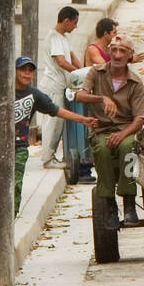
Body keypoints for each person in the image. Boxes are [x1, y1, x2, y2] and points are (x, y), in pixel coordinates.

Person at [74, 35, 144, 230]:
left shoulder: (135, 82)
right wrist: (102, 99)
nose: (117, 55)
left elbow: (139, 118)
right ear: (108, 52)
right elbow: (80, 95)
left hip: (126, 130)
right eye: (113, 50)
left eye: (122, 51)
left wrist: (122, 135)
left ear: (130, 55)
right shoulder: (96, 73)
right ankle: (109, 204)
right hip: (102, 129)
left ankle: (129, 202)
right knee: (103, 150)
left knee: (129, 147)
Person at [16, 57, 96, 216]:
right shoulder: (1, 91)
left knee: (15, 184)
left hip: (19, 147)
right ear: (15, 71)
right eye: (22, 70)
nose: (26, 74)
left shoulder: (34, 95)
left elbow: (56, 110)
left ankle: (9, 217)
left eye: (30, 70)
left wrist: (82, 119)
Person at [38, 5, 81, 168]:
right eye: (74, 23)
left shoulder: (63, 38)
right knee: (53, 123)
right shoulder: (54, 38)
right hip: (53, 85)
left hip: (60, 85)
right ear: (66, 21)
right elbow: (62, 62)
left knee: (58, 124)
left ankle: (51, 155)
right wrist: (77, 72)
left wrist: (83, 70)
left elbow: (72, 56)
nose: (76, 26)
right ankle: (48, 158)